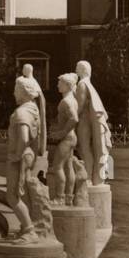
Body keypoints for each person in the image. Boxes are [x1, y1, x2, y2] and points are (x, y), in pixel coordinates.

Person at [6, 75, 52, 242]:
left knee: (12, 195)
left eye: (16, 89)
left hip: (20, 158)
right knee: (22, 194)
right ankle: (27, 227)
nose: (14, 92)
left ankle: (29, 230)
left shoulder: (22, 112)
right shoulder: (33, 109)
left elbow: (24, 137)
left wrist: (15, 155)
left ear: (24, 92)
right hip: (29, 156)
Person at [50, 73, 80, 204]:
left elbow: (74, 119)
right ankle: (69, 197)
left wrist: (61, 133)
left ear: (67, 85)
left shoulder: (66, 101)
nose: (57, 85)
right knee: (68, 167)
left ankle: (59, 197)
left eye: (60, 83)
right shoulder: (73, 100)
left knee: (57, 167)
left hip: (67, 138)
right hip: (72, 137)